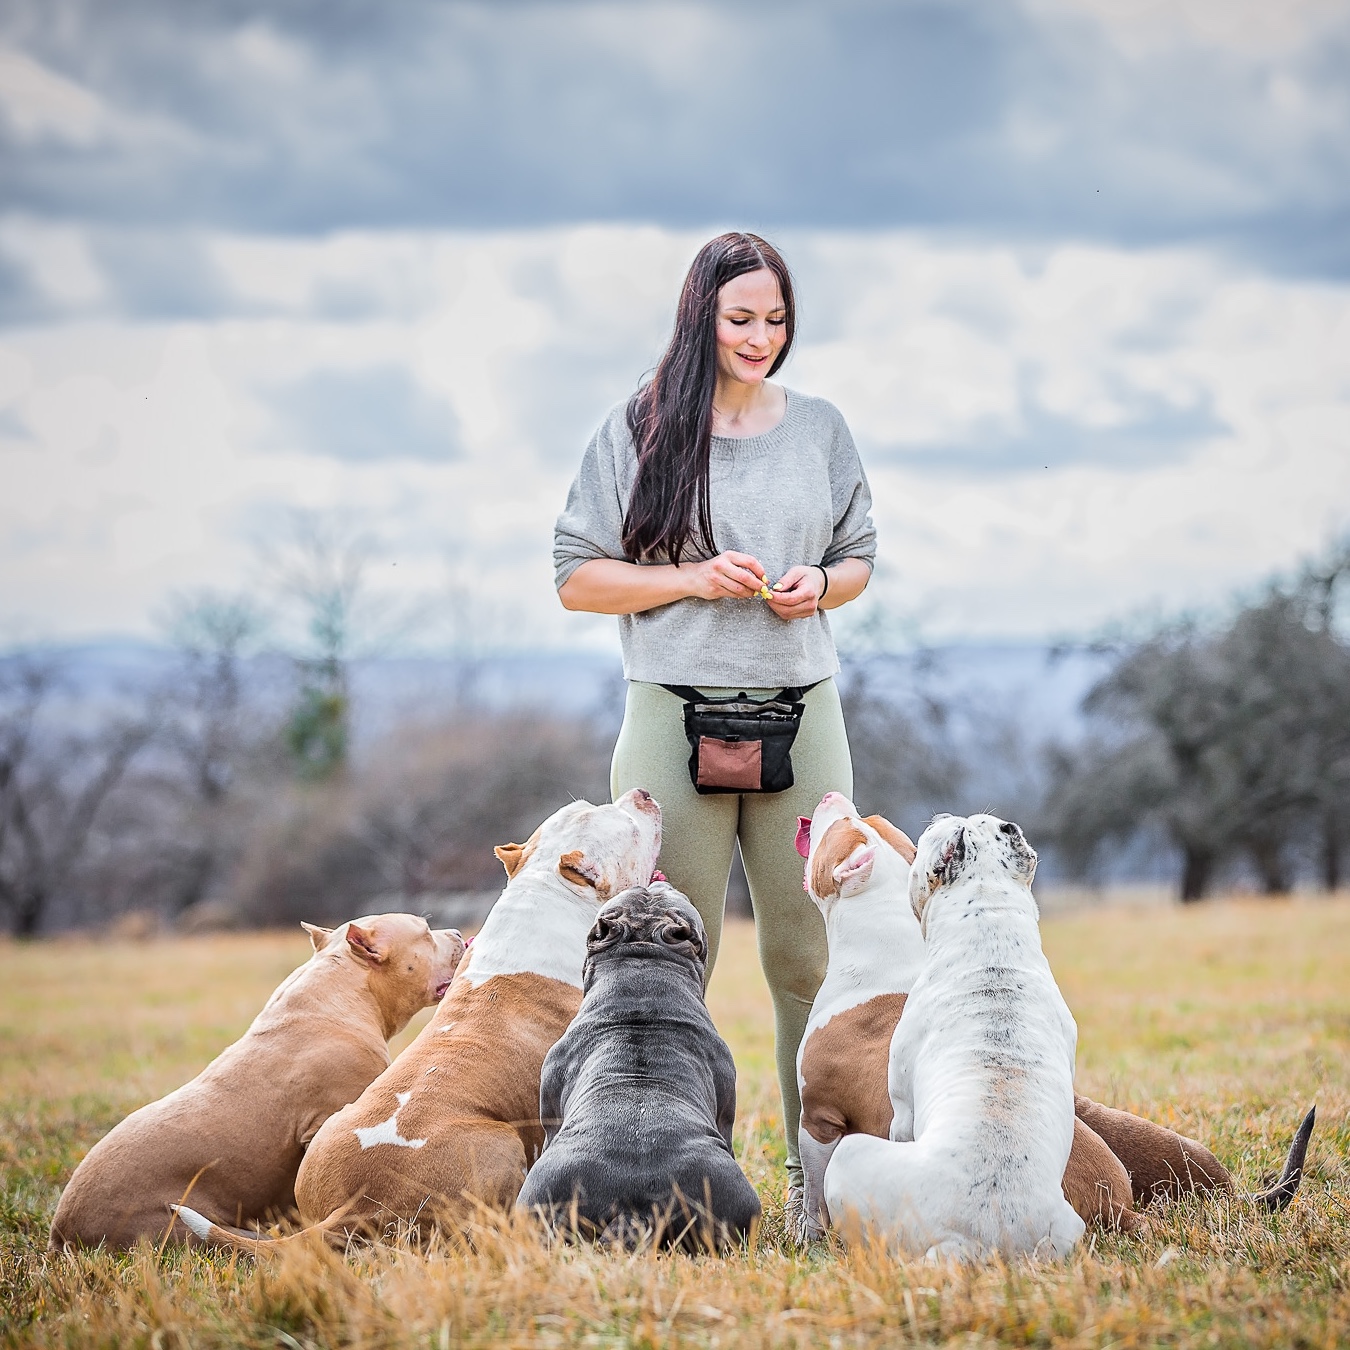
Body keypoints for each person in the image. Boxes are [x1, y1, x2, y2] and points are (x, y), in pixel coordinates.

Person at [552, 232, 876, 1227]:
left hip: (801, 716)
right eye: (742, 318)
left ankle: (811, 1190)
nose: (761, 337)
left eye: (776, 320)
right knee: (657, 959)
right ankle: (676, 1178)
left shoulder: (820, 428)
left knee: (808, 953)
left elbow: (859, 557)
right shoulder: (636, 428)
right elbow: (575, 578)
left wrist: (819, 584)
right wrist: (690, 577)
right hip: (670, 719)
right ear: (702, 316)